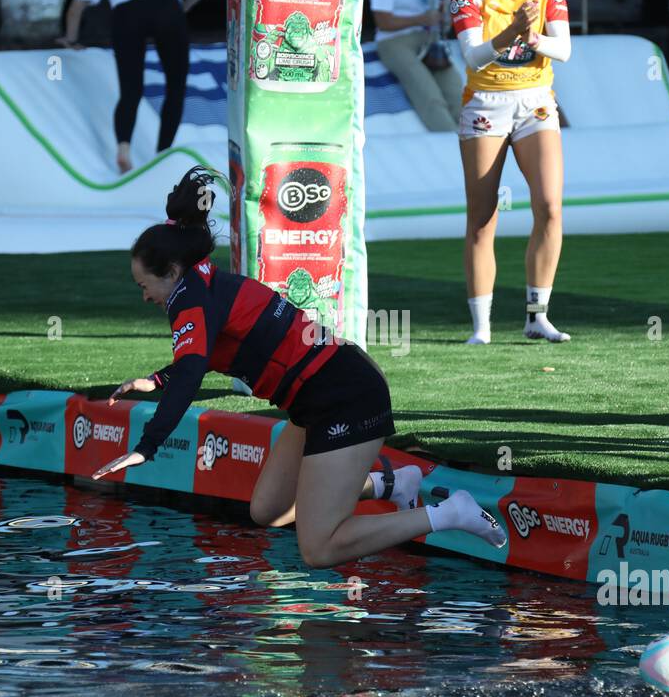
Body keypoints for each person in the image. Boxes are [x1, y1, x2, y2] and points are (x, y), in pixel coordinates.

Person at [91, 166, 505, 568]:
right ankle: (394, 483)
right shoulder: (200, 280)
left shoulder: (188, 299)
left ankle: (451, 514)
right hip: (318, 395)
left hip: (345, 396)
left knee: (319, 548)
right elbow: (203, 356)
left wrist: (147, 446)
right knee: (268, 510)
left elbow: (192, 371)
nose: (145, 297)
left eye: (144, 285)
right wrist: (157, 379)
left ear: (172, 271)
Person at [449, 0, 572, 345]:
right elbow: (473, 54)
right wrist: (510, 33)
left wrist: (533, 35)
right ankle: (481, 327)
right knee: (483, 218)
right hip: (486, 104)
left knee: (550, 207)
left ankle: (537, 316)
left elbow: (564, 50)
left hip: (537, 102)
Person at [58, 0, 210, 174]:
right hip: (167, 7)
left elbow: (77, 6)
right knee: (175, 87)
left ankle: (123, 149)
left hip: (127, 14)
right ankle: (162, 154)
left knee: (131, 89)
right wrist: (182, 8)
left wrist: (71, 39)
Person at [367, 0, 463, 132]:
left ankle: (475, 142)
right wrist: (422, 19)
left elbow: (442, 4)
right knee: (427, 92)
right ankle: (447, 143)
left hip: (429, 37)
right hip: (394, 41)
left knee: (456, 90)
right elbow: (383, 22)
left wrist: (444, 13)